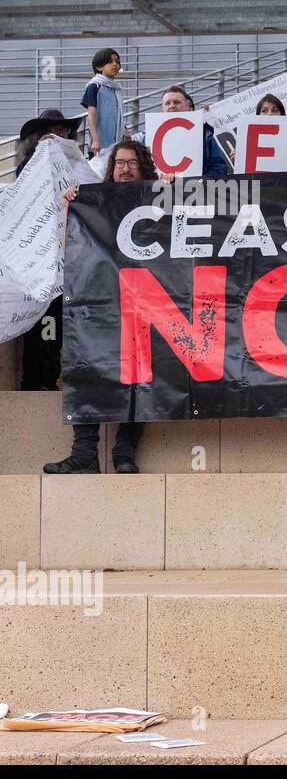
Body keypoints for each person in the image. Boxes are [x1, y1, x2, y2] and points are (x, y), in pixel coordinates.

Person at [43, 137, 163, 474]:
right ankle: (84, 453)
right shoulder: (91, 200)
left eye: (132, 163)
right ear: (110, 169)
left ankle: (124, 452)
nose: (125, 170)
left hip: (145, 305)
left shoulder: (160, 198)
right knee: (87, 370)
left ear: (143, 167)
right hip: (99, 304)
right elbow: (71, 247)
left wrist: (173, 190)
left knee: (141, 378)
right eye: (119, 163)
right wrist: (71, 209)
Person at [16, 111, 83, 393]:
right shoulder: (29, 166)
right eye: (53, 131)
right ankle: (36, 379)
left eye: (63, 131)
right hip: (38, 258)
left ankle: (50, 376)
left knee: (56, 321)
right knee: (41, 322)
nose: (60, 135)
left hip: (67, 256)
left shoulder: (77, 166)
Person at [161, 86, 231, 177]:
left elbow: (219, 169)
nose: (172, 106)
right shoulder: (147, 138)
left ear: (188, 106)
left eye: (177, 102)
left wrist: (196, 182)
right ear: (163, 108)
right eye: (167, 103)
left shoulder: (204, 135)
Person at [80, 47, 123, 156]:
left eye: (117, 61)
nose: (115, 64)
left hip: (115, 144)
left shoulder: (116, 89)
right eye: (110, 62)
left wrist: (125, 130)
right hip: (99, 146)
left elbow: (117, 114)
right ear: (99, 67)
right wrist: (95, 140)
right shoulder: (94, 86)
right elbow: (91, 115)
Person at [254, 93, 287, 171]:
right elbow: (243, 180)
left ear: (282, 115)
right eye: (264, 111)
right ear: (257, 116)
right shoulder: (247, 145)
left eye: (274, 110)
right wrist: (239, 160)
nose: (269, 114)